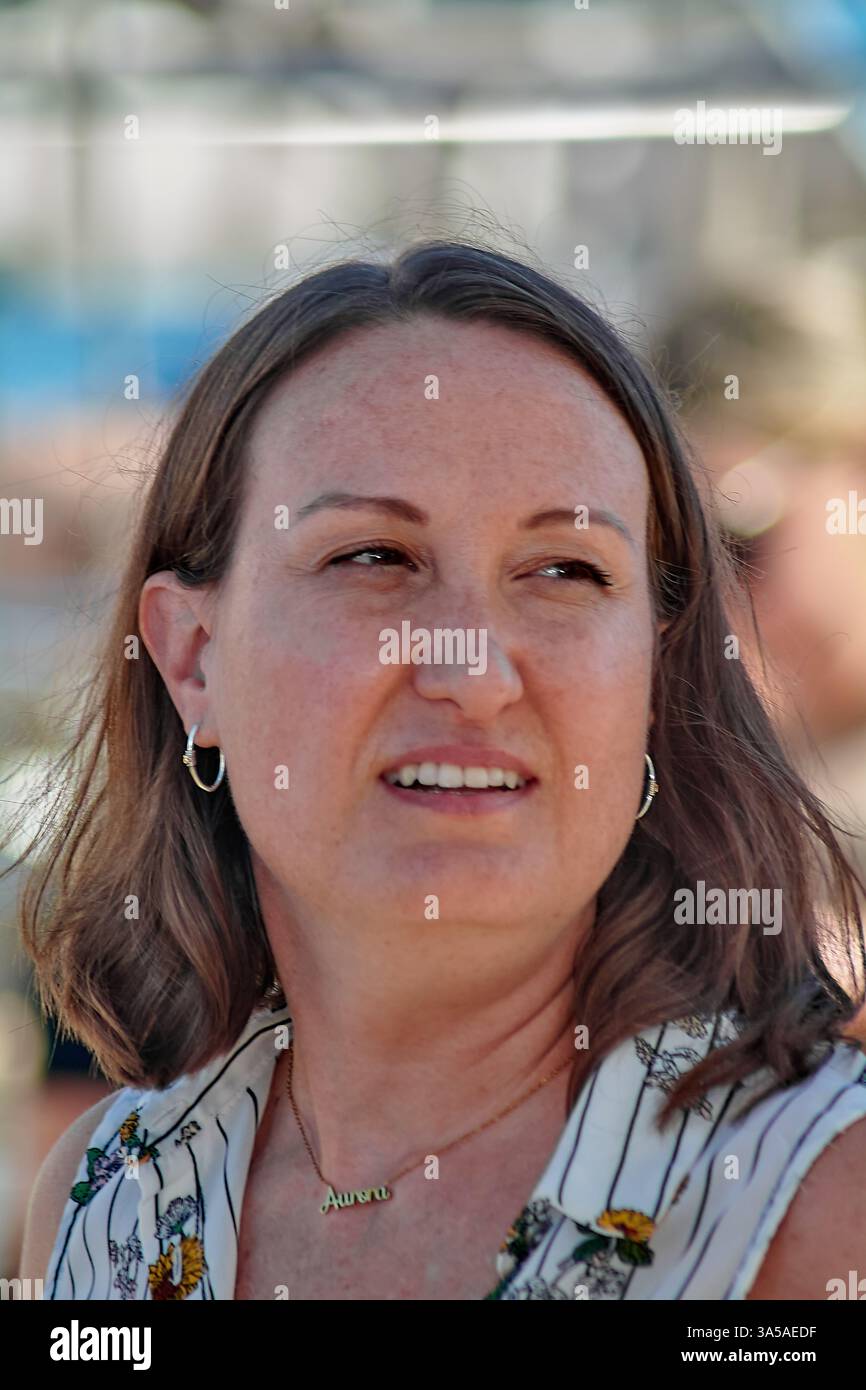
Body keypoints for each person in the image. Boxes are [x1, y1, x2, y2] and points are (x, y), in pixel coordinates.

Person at [10, 240, 866, 1301]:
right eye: (373, 557)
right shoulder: (106, 1207)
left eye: (564, 570)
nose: (475, 673)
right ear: (191, 659)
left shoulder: (818, 1202)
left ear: (654, 675)